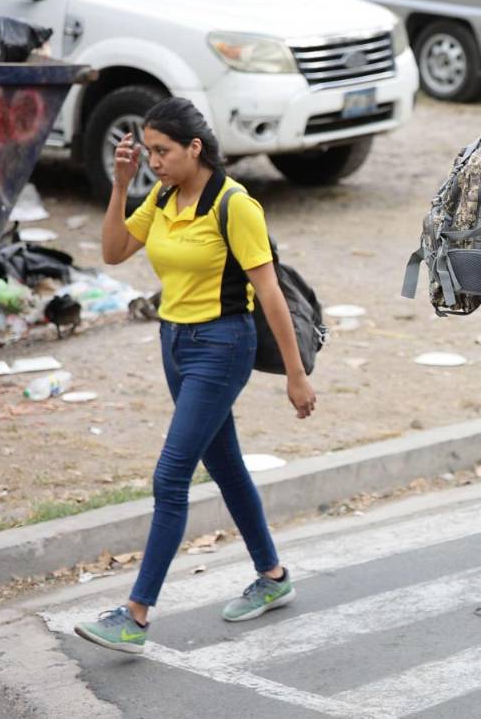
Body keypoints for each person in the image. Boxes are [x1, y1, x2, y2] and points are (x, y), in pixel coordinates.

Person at [77, 99, 317, 654]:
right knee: (225, 464)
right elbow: (114, 252)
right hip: (175, 343)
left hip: (221, 345)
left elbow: (271, 292)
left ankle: (135, 615)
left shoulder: (235, 206)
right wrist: (119, 185)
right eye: (148, 151)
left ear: (195, 148)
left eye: (162, 151)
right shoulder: (161, 197)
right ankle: (273, 577)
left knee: (171, 476)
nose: (153, 161)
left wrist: (296, 375)